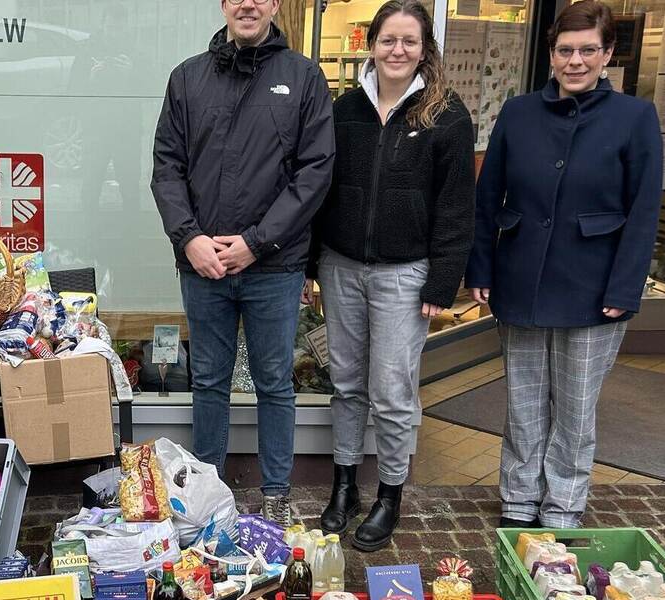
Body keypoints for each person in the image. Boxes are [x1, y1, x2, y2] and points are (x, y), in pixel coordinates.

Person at [465, 0, 662, 529]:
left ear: (607, 53)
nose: (575, 61)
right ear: (551, 53)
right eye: (565, 50)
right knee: (524, 405)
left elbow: (644, 211)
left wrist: (626, 286)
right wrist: (480, 269)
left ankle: (563, 508)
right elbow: (488, 197)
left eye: (587, 51)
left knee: (574, 413)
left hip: (594, 286)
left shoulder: (634, 117)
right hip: (522, 280)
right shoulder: (518, 112)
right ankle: (518, 501)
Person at [152, 0, 335, 526]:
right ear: (225, 4)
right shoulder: (187, 79)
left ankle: (276, 492)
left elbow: (315, 173)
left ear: (275, 4)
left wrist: (258, 242)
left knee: (274, 380)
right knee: (208, 379)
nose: (248, 4)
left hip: (273, 266)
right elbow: (167, 166)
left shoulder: (302, 78)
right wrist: (189, 239)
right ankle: (207, 491)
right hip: (204, 264)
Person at [304, 0, 475, 552]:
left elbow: (455, 207)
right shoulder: (345, 110)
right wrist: (311, 264)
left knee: (393, 392)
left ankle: (390, 495)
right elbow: (320, 192)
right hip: (342, 266)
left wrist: (443, 280)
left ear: (425, 49)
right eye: (387, 40)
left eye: (409, 41)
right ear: (370, 44)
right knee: (347, 384)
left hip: (407, 274)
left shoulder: (446, 115)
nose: (397, 51)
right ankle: (346, 485)